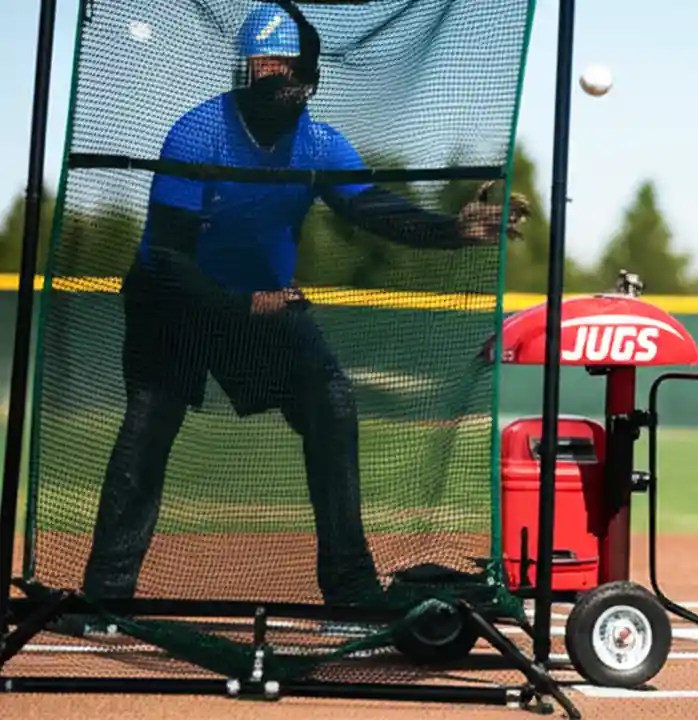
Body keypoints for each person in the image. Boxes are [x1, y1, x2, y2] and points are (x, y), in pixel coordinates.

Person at [79, 1, 528, 610]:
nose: (265, 76)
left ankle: (349, 591)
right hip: (175, 308)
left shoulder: (318, 144)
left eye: (279, 66)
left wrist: (454, 229)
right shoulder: (197, 132)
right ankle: (105, 600)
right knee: (148, 428)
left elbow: (372, 209)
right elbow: (166, 259)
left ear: (305, 79)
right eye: (255, 64)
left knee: (332, 406)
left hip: (264, 308)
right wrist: (243, 306)